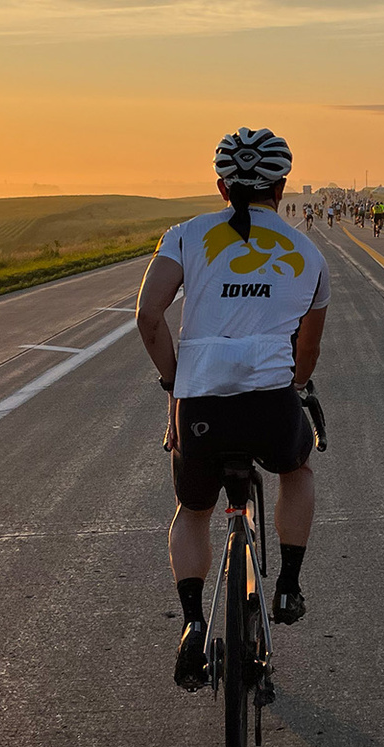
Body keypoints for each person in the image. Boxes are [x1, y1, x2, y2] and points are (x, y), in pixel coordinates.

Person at [135, 127, 329, 691]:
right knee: (298, 470)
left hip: (200, 405)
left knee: (192, 512)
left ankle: (194, 622)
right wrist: (296, 384)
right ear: (282, 185)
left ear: (221, 185)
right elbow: (308, 351)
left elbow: (149, 318)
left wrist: (175, 381)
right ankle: (289, 581)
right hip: (270, 403)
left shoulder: (185, 236)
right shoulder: (309, 253)